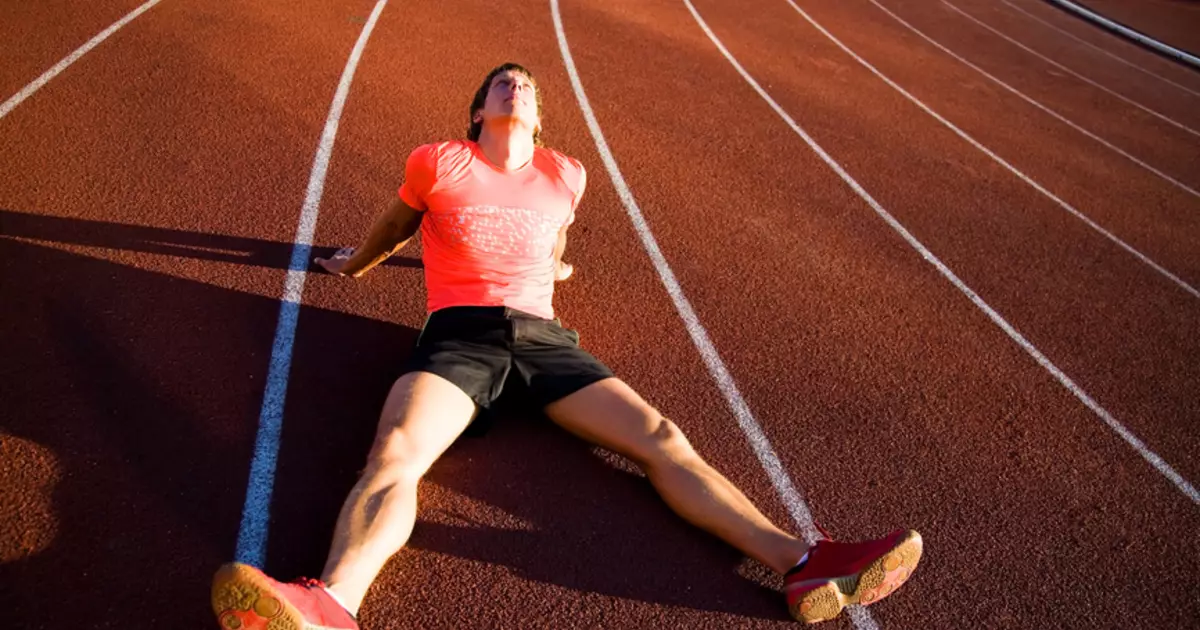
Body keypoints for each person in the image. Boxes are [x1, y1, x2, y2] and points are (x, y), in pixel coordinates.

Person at [210, 63, 922, 629]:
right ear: (478, 110)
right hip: (462, 335)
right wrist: (355, 263)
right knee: (397, 452)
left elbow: (553, 237)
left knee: (661, 439)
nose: (514, 82)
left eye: (525, 84)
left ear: (539, 118)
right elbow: (398, 225)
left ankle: (804, 563)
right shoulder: (440, 161)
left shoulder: (566, 173)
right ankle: (334, 604)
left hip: (546, 341)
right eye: (501, 80)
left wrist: (552, 266)